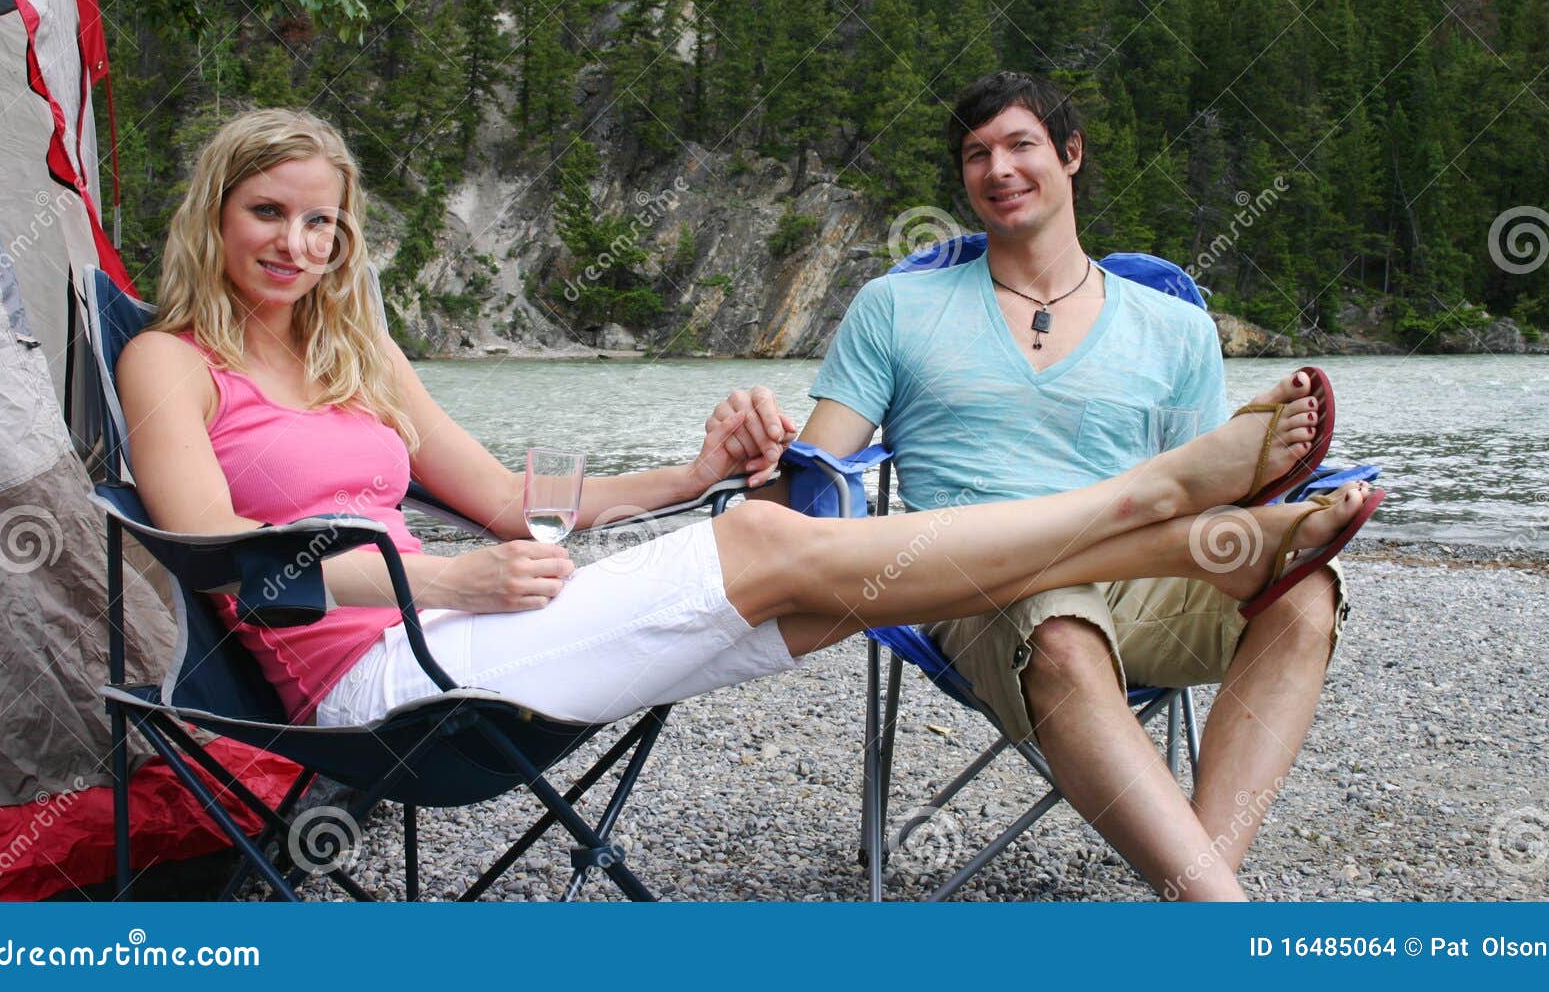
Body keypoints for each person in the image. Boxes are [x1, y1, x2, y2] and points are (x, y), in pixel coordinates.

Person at [118, 110, 1375, 886]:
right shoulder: (169, 360)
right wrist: (435, 577)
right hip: (374, 686)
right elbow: (219, 556)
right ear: (214, 217)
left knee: (812, 577)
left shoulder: (356, 360)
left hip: (467, 631)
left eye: (321, 223)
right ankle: (1162, 508)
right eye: (267, 214)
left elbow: (510, 495)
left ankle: (1171, 569)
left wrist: (693, 475)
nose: (295, 244)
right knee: (776, 543)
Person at [720, 70, 1368, 901]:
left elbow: (1217, 510)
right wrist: (754, 455)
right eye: (976, 153)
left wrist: (1236, 514)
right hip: (969, 580)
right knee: (1055, 624)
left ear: (1070, 154)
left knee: (1309, 588)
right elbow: (811, 490)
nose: (998, 169)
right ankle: (1222, 922)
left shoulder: (1174, 326)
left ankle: (1201, 889)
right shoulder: (895, 308)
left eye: (1021, 144)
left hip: (1142, 584)